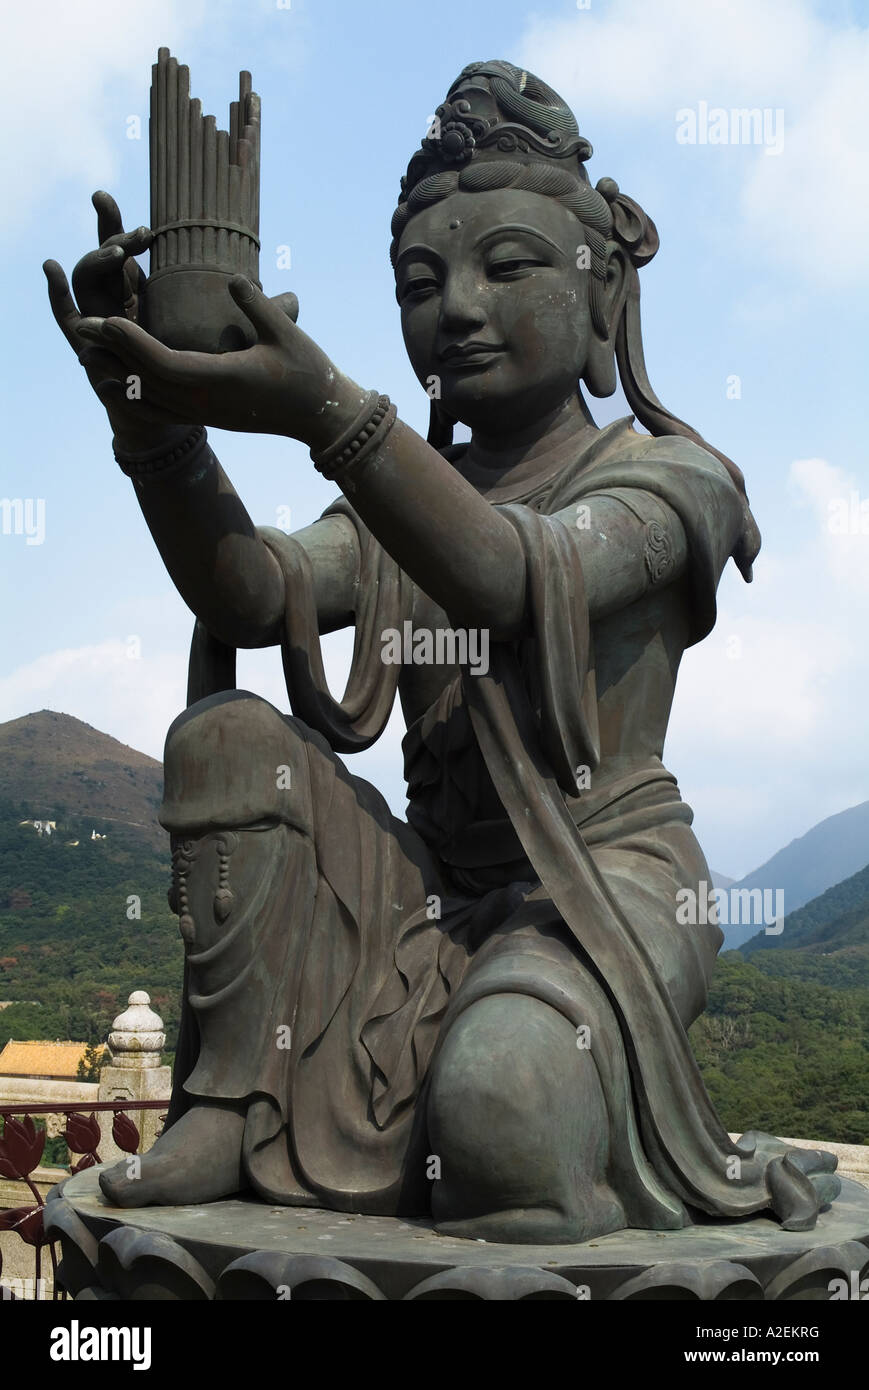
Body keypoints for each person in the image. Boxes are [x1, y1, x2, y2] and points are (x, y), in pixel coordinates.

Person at [45, 60, 837, 1243]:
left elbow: (513, 575)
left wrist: (327, 410)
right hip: (429, 890)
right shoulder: (399, 505)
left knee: (502, 1117)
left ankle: (522, 1085)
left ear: (601, 286)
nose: (456, 304)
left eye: (505, 265)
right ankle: (231, 1101)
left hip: (606, 887)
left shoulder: (670, 479)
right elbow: (251, 590)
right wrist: (150, 423)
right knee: (228, 735)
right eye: (423, 279)